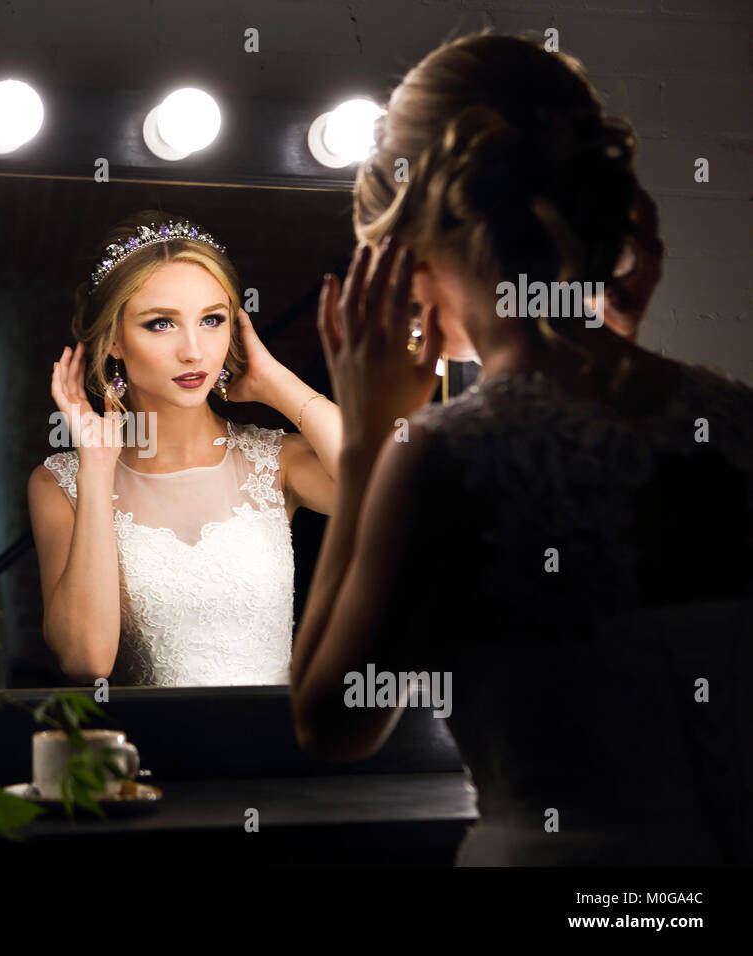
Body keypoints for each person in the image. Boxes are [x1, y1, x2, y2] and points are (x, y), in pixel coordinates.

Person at [290, 31, 753, 864]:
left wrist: (365, 444)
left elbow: (333, 722)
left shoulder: (451, 453)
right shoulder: (733, 417)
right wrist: (608, 346)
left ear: (411, 243)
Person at [28, 211, 344, 686]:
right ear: (114, 339)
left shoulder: (277, 462)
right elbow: (87, 659)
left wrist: (277, 383)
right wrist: (96, 469)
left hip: (280, 749)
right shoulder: (60, 484)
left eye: (212, 320)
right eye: (161, 324)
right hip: (158, 753)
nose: (194, 351)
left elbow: (395, 494)